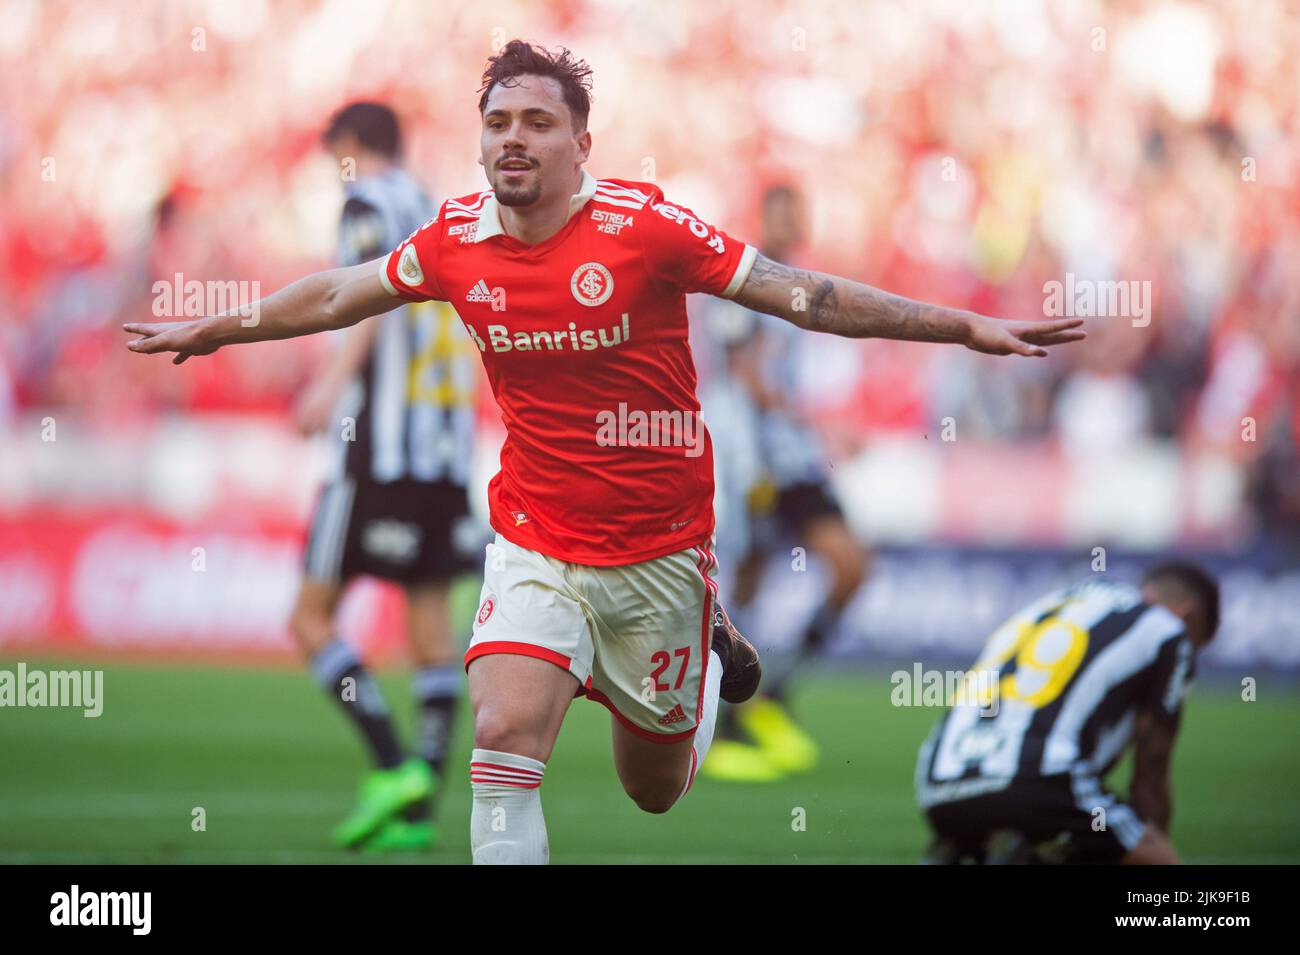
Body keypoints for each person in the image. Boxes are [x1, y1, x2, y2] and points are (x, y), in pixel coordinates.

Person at [124, 40, 1085, 864]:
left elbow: (803, 294)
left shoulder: (645, 228)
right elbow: (341, 294)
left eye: (538, 123)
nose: (513, 138)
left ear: (581, 143)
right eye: (498, 120)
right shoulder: (456, 237)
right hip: (535, 537)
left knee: (654, 789)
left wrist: (961, 326)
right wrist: (219, 327)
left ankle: (705, 663)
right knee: (500, 733)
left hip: (660, 549)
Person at [291, 102, 479, 852]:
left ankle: (392, 764)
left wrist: (332, 380)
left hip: (376, 451)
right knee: (431, 627)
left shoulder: (366, 201)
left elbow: (366, 298)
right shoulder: (438, 207)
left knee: (309, 619)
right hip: (443, 452)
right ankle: (419, 803)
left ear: (347, 146)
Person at [699, 183, 870, 783]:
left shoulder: (800, 282)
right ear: (764, 216)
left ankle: (774, 693)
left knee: (850, 566)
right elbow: (746, 378)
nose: (788, 222)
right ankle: (724, 724)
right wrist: (823, 427)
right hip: (754, 460)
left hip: (796, 459)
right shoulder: (741, 282)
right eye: (779, 211)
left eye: (796, 211)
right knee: (746, 582)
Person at [915, 562, 1220, 864]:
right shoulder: (1170, 631)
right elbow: (1150, 777)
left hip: (938, 785)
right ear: (1187, 615)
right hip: (1033, 783)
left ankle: (989, 848)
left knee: (1061, 829)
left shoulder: (1056, 603)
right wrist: (1149, 840)